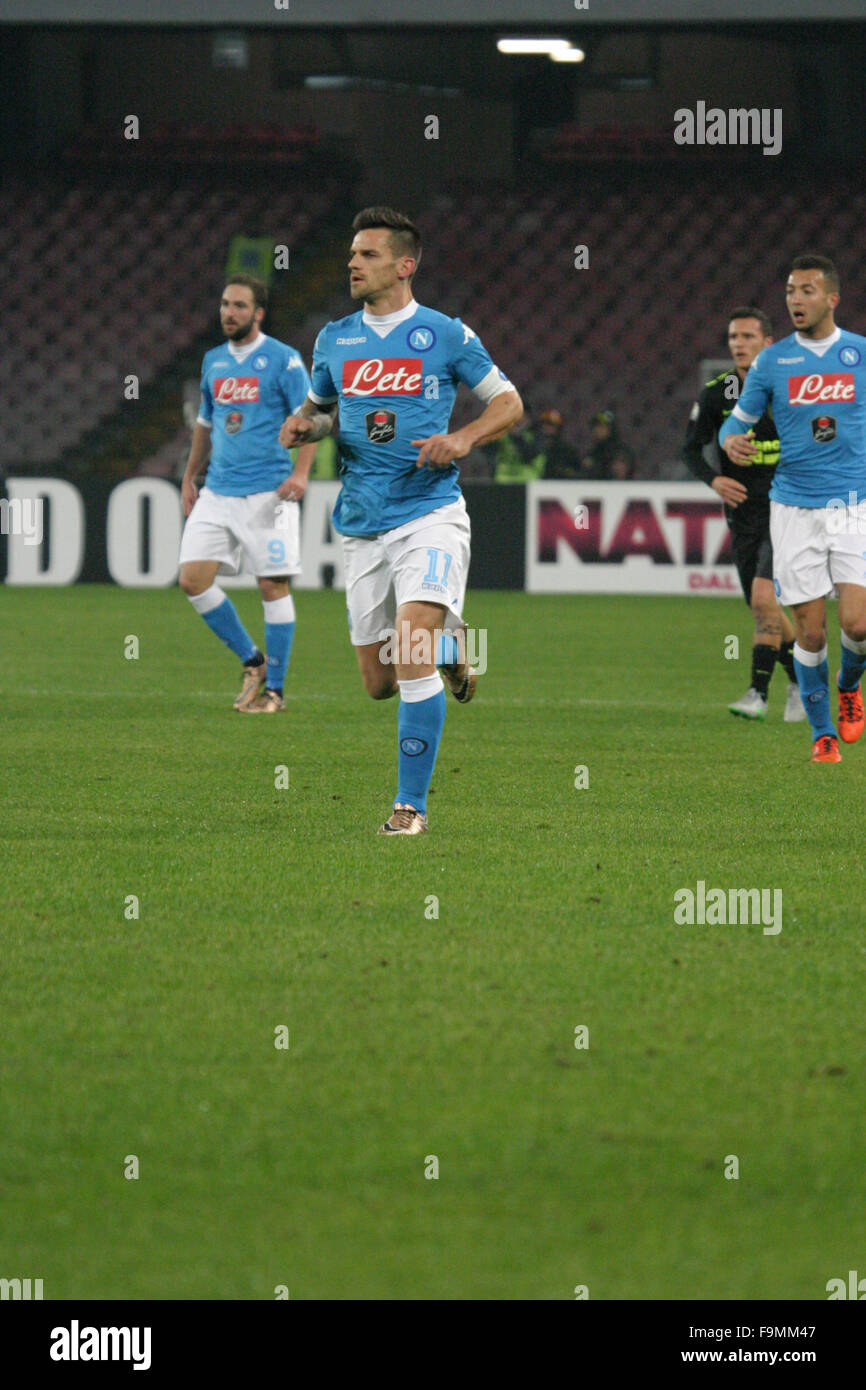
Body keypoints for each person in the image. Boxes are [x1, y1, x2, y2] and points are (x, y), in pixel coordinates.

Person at [279, 206, 522, 833]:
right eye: (352, 254)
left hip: (429, 512)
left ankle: (408, 806)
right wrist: (307, 426)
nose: (352, 263)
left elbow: (509, 402)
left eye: (367, 255)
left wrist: (465, 438)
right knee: (378, 684)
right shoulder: (335, 338)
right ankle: (453, 642)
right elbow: (321, 410)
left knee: (410, 646)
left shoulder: (446, 334)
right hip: (361, 521)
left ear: (404, 265)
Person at [719, 256, 866, 762]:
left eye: (806, 291)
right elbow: (734, 423)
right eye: (789, 291)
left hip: (852, 504)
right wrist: (732, 441)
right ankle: (822, 733)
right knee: (810, 630)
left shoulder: (859, 355)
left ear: (832, 298)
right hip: (793, 509)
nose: (795, 300)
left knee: (859, 624)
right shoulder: (773, 362)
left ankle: (848, 687)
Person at [178, 274, 316, 712]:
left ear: (258, 313)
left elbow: (309, 418)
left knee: (272, 586)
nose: (228, 313)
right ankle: (251, 659)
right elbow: (205, 426)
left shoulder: (283, 360)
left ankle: (275, 690)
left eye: (239, 306)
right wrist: (189, 477)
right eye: (224, 304)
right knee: (192, 580)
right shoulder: (213, 362)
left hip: (268, 491)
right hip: (218, 490)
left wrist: (302, 473)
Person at [683, 306, 805, 722]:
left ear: (768, 343)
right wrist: (714, 481)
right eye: (734, 337)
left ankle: (758, 693)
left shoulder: (792, 391)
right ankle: (803, 685)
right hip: (743, 514)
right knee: (763, 608)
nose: (739, 344)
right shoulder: (717, 394)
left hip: (786, 509)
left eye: (748, 337)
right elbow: (690, 449)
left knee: (762, 597)